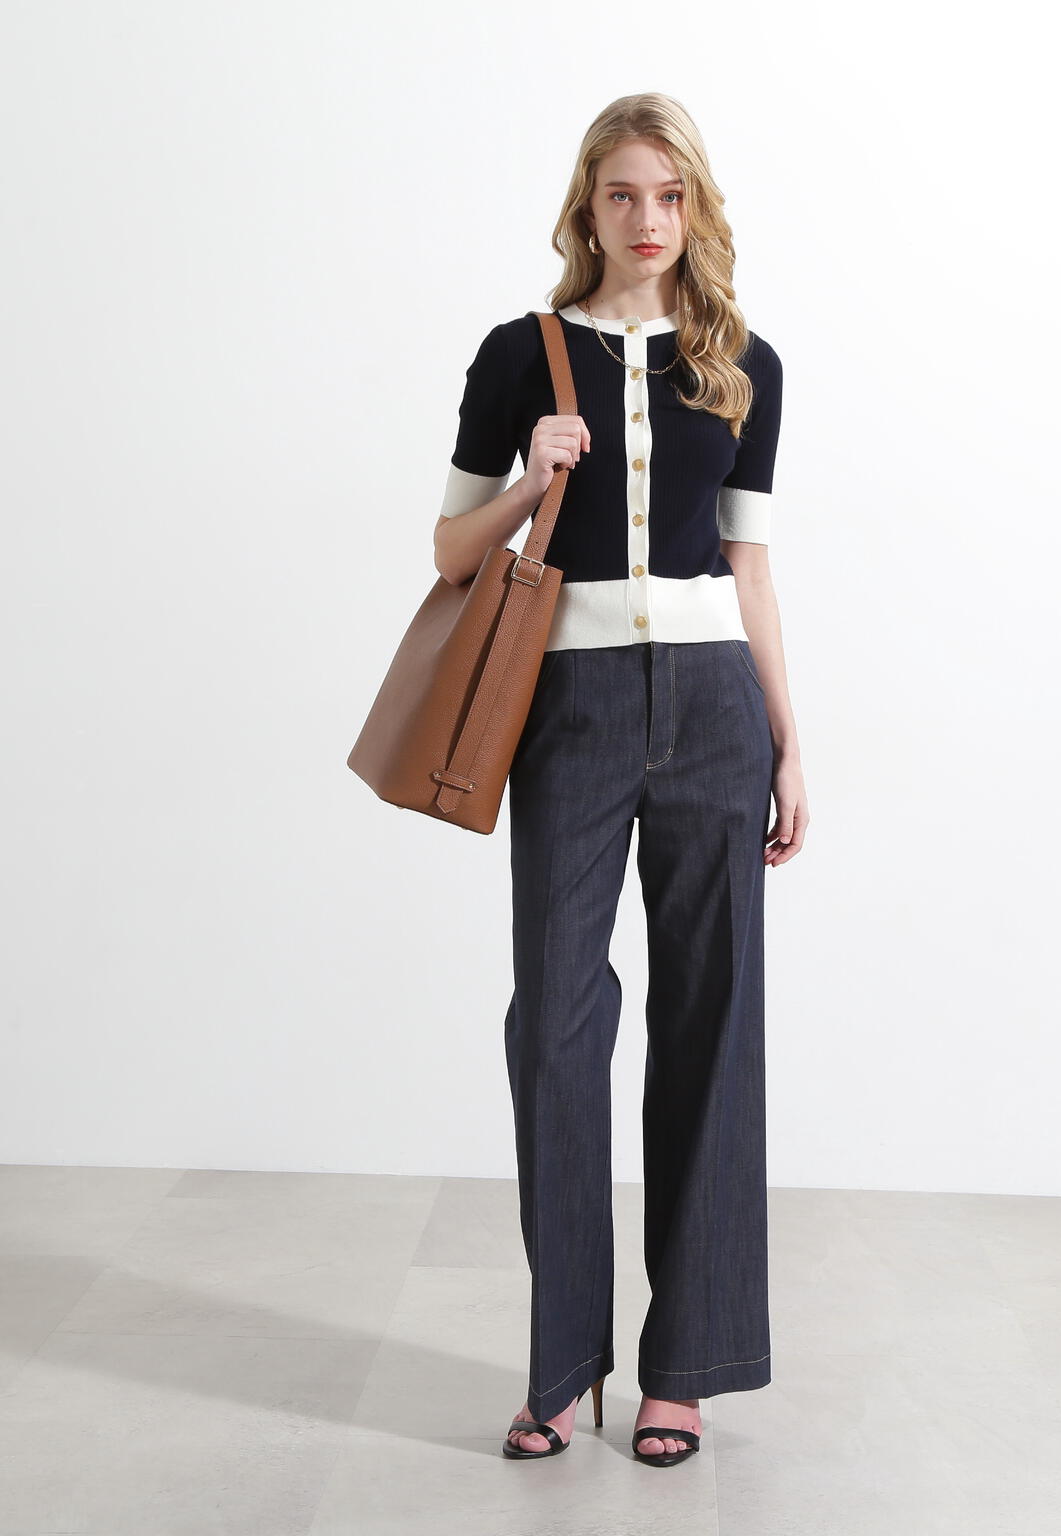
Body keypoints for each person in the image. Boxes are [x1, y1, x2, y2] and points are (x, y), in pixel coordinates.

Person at [433, 92, 809, 1467]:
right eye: (622, 195)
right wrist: (528, 481)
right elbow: (449, 552)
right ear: (585, 210)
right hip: (571, 709)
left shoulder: (743, 365)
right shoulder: (518, 354)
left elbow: (749, 567)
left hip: (712, 706)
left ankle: (685, 1366)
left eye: (670, 195)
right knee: (556, 1020)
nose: (648, 220)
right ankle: (560, 1368)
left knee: (713, 1016)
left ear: (696, 208)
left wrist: (788, 740)